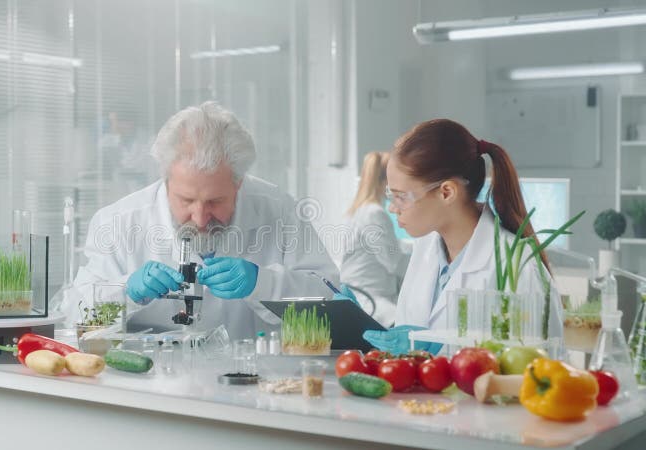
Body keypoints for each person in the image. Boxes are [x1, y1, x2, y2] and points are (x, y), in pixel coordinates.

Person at [62, 101, 340, 339]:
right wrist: (126, 292)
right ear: (166, 178)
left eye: (215, 201)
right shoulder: (118, 222)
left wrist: (263, 284)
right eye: (185, 200)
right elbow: (77, 320)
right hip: (151, 386)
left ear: (239, 183)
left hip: (251, 384)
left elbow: (331, 301)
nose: (199, 217)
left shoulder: (278, 211)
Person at [362, 119, 562, 355]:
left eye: (401, 197)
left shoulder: (519, 266)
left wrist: (437, 349)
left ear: (447, 192)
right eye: (390, 195)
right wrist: (360, 324)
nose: (393, 208)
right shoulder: (425, 249)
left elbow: (541, 371)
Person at [340, 151, 408, 328]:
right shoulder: (374, 213)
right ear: (385, 182)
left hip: (360, 294)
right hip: (372, 299)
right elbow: (392, 262)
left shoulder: (356, 211)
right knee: (406, 328)